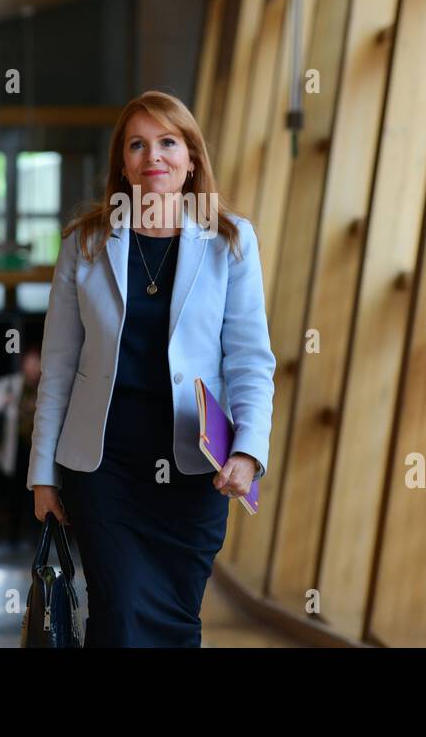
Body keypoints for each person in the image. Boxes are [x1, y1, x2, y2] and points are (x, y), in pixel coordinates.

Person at [28, 90, 276, 647]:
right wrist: (43, 473)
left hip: (193, 472)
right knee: (118, 616)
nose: (153, 156)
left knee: (175, 621)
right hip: (105, 470)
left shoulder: (231, 242)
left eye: (168, 142)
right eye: (137, 144)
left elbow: (249, 359)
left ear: (191, 159)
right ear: (123, 163)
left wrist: (249, 451)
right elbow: (59, 368)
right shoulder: (85, 244)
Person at [0, 345, 42, 545]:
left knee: (37, 492)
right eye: (30, 362)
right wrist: (7, 400)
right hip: (17, 448)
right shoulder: (10, 383)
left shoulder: (46, 385)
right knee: (16, 494)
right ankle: (14, 535)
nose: (33, 367)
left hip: (37, 449)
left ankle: (36, 535)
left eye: (37, 362)